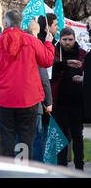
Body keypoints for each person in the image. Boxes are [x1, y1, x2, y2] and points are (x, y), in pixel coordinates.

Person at [0, 10, 55, 159]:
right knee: (26, 140)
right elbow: (47, 60)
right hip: (28, 99)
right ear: (20, 23)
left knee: (7, 140)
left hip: (4, 100)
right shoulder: (31, 41)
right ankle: (23, 171)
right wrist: (48, 42)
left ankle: (9, 172)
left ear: (5, 23)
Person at [51, 27, 87, 170]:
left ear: (74, 39)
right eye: (64, 39)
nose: (67, 42)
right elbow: (49, 71)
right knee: (62, 137)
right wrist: (63, 65)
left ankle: (79, 166)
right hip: (60, 103)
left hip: (78, 103)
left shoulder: (82, 54)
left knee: (77, 136)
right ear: (60, 40)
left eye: (70, 39)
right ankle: (61, 167)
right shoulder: (54, 53)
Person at [28, 20, 53, 162]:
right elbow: (43, 76)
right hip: (33, 101)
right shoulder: (35, 46)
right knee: (36, 137)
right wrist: (48, 101)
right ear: (34, 31)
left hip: (10, 102)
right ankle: (37, 167)